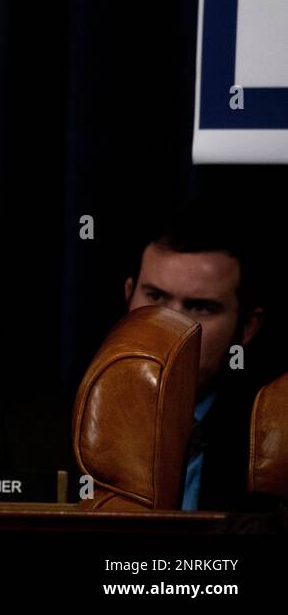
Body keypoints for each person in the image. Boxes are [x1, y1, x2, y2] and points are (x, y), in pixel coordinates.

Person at [122, 212, 266, 511]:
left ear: (248, 326)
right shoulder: (32, 435)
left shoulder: (271, 446)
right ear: (128, 295)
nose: (171, 325)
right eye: (156, 297)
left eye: (200, 307)